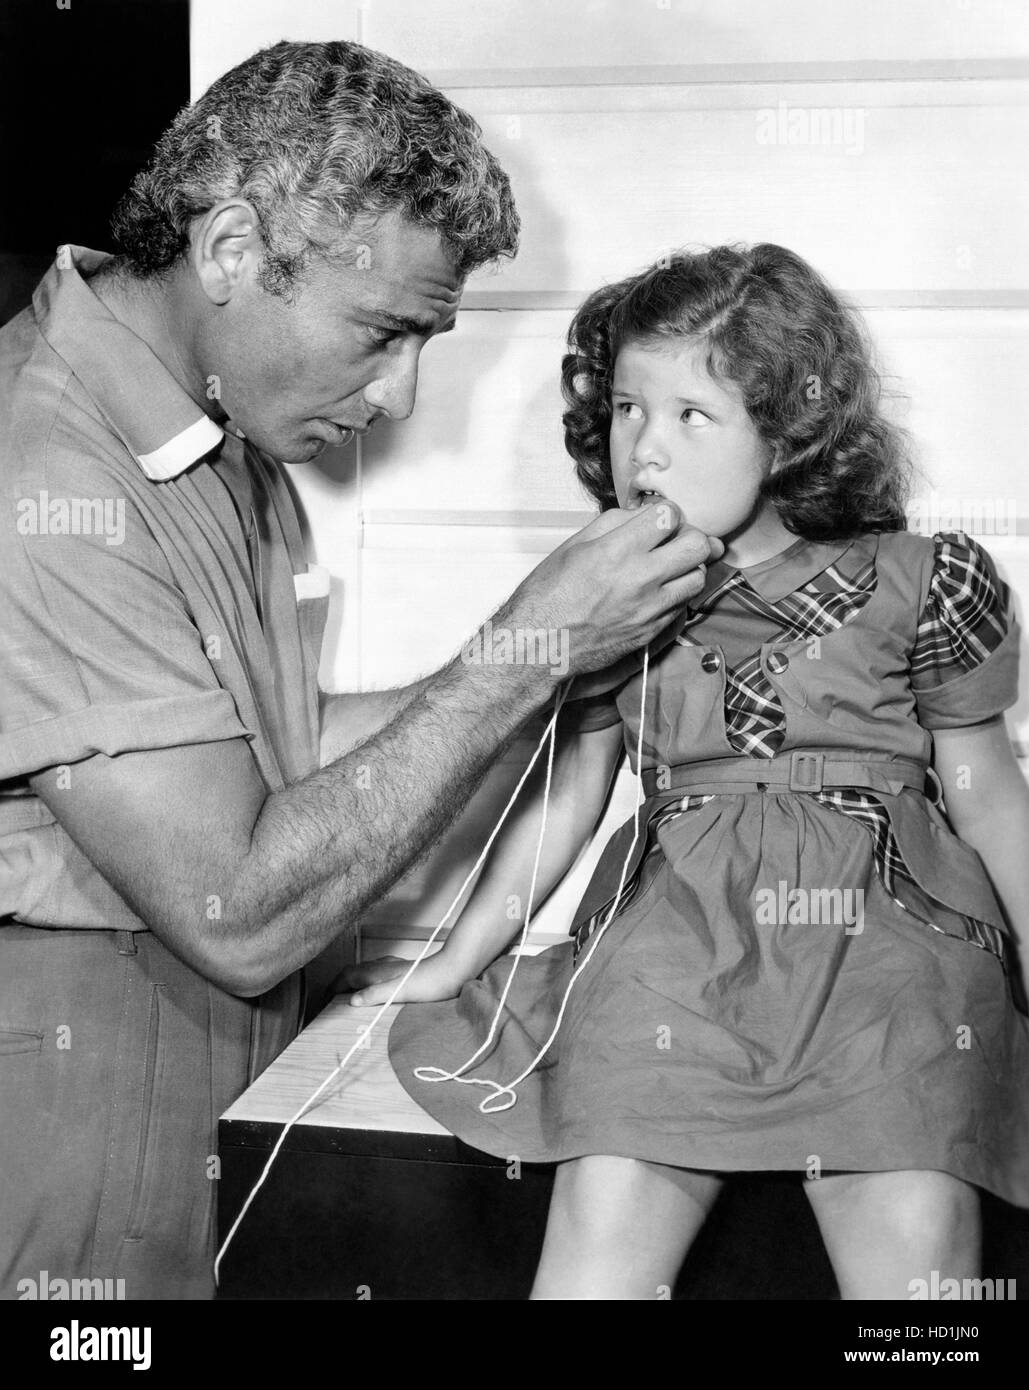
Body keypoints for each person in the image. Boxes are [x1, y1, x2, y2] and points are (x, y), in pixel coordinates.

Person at [0, 40, 720, 1300]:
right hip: (65, 1181)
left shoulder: (219, 433)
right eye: (384, 333)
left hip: (214, 1134)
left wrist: (556, 669)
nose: (397, 394)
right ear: (231, 249)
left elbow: (272, 758)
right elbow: (237, 905)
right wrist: (529, 646)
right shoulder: (45, 474)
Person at [347, 243, 1029, 1300]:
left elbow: (986, 794)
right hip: (677, 947)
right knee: (603, 1203)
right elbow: (566, 800)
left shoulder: (918, 583)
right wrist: (454, 955)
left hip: (885, 942)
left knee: (915, 1221)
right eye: (626, 409)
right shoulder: (613, 597)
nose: (644, 448)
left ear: (790, 430)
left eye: (689, 416)